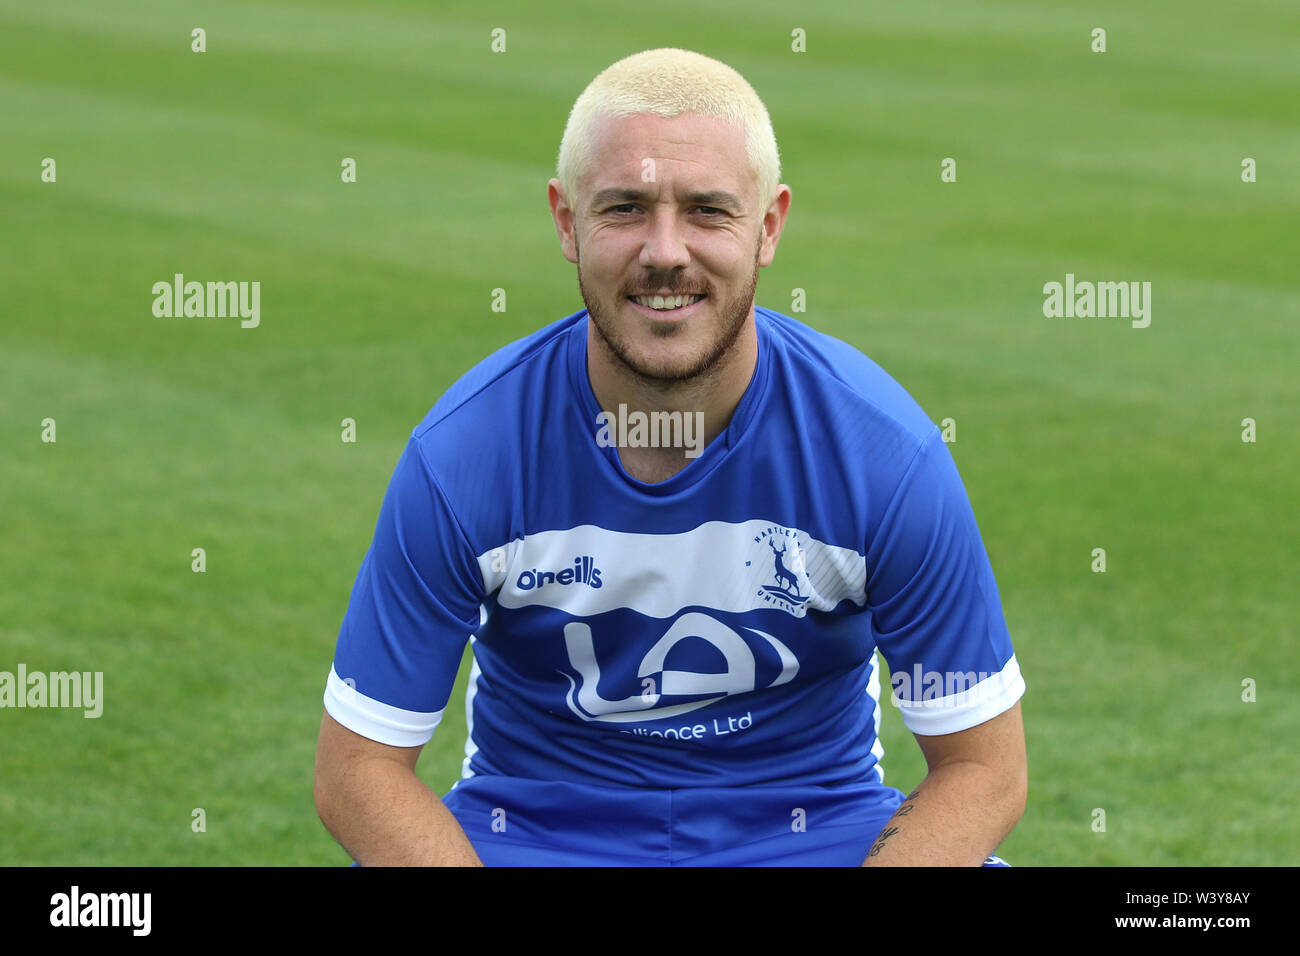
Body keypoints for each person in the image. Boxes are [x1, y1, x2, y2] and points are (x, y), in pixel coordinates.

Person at [313, 47, 1026, 866]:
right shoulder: (465, 453)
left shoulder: (883, 456)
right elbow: (358, 768)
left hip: (814, 838)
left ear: (768, 227)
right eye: (624, 208)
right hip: (536, 840)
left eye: (707, 211)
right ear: (564, 220)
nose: (664, 251)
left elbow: (985, 767)